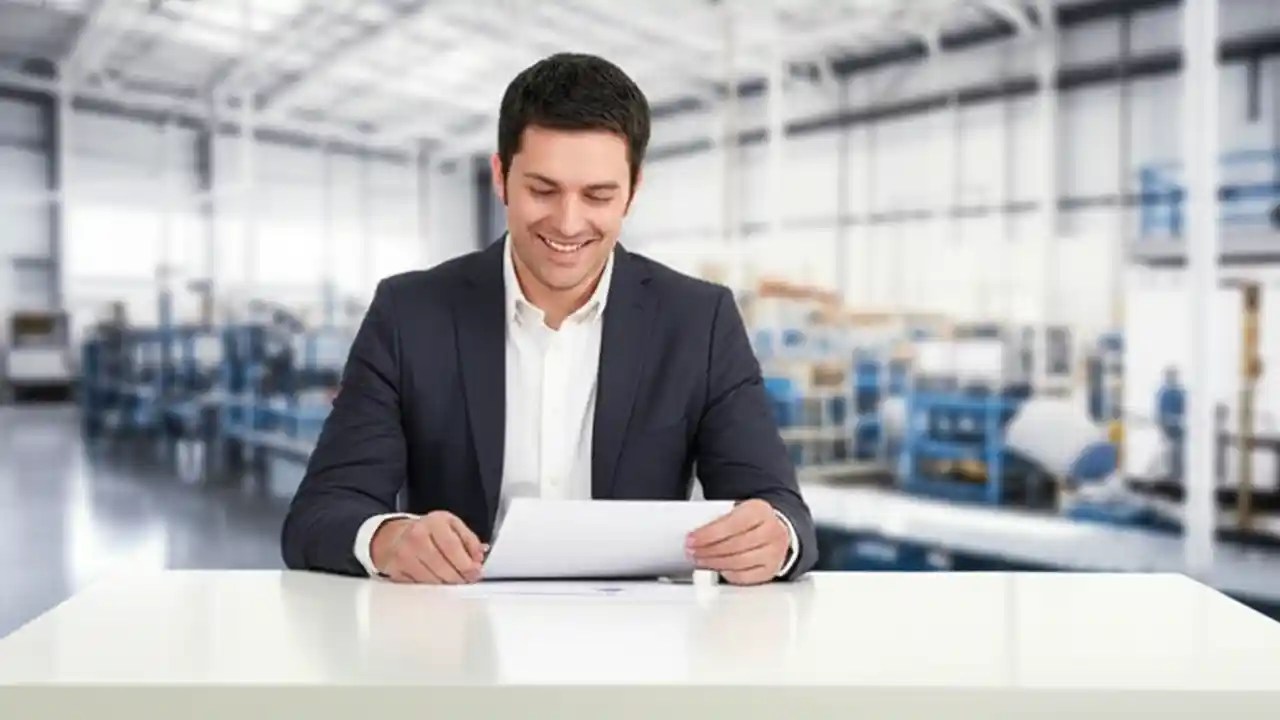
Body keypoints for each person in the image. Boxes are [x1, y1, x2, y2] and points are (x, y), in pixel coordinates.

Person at [281, 52, 817, 586]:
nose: (568, 222)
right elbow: (321, 512)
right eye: (542, 190)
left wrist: (772, 538)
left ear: (633, 190)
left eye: (598, 195)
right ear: (500, 176)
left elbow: (782, 510)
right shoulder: (411, 313)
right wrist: (388, 538)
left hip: (638, 646)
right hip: (454, 645)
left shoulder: (699, 321)